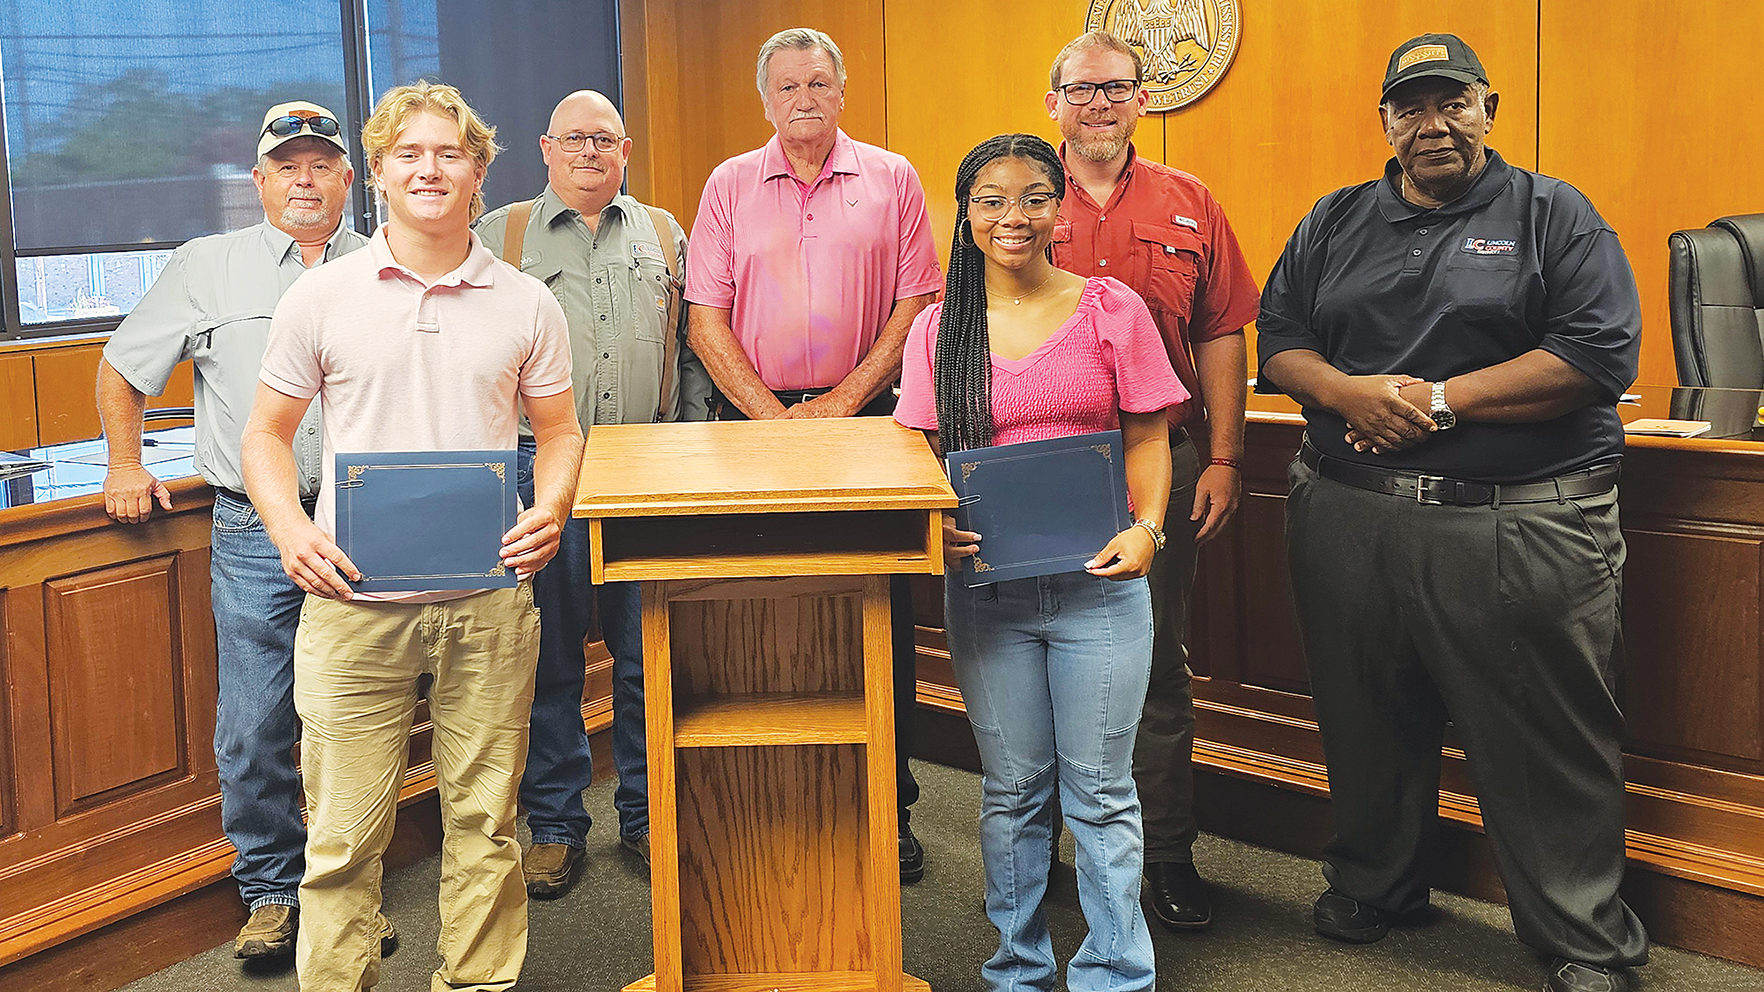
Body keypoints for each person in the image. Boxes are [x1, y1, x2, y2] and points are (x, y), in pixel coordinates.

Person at [1257, 33, 1649, 992]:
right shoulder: (1336, 217)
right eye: (1409, 108)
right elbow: (1282, 338)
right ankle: (1379, 883)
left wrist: (1434, 400)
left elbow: (1598, 357)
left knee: (1543, 738)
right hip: (1350, 512)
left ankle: (1583, 941)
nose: (1431, 125)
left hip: (1517, 522)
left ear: (1488, 108)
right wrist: (1351, 396)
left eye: (1451, 103)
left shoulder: (1555, 215)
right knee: (1364, 716)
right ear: (1386, 121)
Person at [240, 81, 582, 992]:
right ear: (380, 174)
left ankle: (475, 983)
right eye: (409, 155)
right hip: (353, 607)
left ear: (478, 171)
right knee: (344, 835)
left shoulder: (526, 303)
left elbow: (559, 430)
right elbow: (266, 436)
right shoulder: (322, 297)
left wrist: (549, 508)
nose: (430, 170)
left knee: (485, 824)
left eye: (450, 154)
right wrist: (288, 529)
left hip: (488, 606)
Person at [96, 101, 399, 961]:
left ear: (350, 179)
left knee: (363, 714)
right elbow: (123, 369)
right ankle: (270, 889)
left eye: (321, 165)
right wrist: (125, 464)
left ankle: (352, 889)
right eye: (287, 166)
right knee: (256, 719)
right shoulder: (206, 266)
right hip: (254, 529)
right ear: (259, 181)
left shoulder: (390, 262)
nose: (305, 180)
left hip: (365, 518)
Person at [895, 132, 1183, 992]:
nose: (1011, 216)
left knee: (1101, 792)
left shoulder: (1111, 309)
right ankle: (1016, 968)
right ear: (967, 214)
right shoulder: (940, 329)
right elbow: (918, 452)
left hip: (1101, 588)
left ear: (1060, 209)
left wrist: (1150, 529)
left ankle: (1115, 973)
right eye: (990, 198)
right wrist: (931, 527)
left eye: (1031, 197)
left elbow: (1148, 435)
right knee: (1013, 789)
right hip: (989, 593)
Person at [684, 26, 943, 881]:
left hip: (868, 424)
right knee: (759, 607)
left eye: (819, 83)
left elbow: (917, 303)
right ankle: (770, 801)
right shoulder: (727, 185)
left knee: (879, 612)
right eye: (788, 86)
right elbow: (705, 319)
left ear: (841, 93)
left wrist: (840, 404)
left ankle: (891, 806)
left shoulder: (893, 177)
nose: (804, 98)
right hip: (749, 430)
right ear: (767, 100)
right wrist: (771, 416)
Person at [1043, 29, 1262, 930]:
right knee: (1039, 660)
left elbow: (1221, 332)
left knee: (1156, 664)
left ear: (1144, 100)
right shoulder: (1015, 194)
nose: (1100, 103)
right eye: (1083, 89)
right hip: (1041, 468)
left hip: (1159, 468)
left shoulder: (1189, 201)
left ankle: (1166, 854)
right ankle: (1054, 852)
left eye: (1118, 89)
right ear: (1052, 99)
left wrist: (1224, 456)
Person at [477, 89, 708, 896]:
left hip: (646, 476)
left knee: (652, 659)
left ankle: (647, 819)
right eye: (573, 138)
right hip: (541, 481)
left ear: (627, 148)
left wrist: (689, 447)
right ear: (544, 147)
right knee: (551, 664)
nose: (589, 152)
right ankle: (556, 826)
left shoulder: (666, 233)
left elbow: (688, 352)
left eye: (604, 139)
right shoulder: (498, 234)